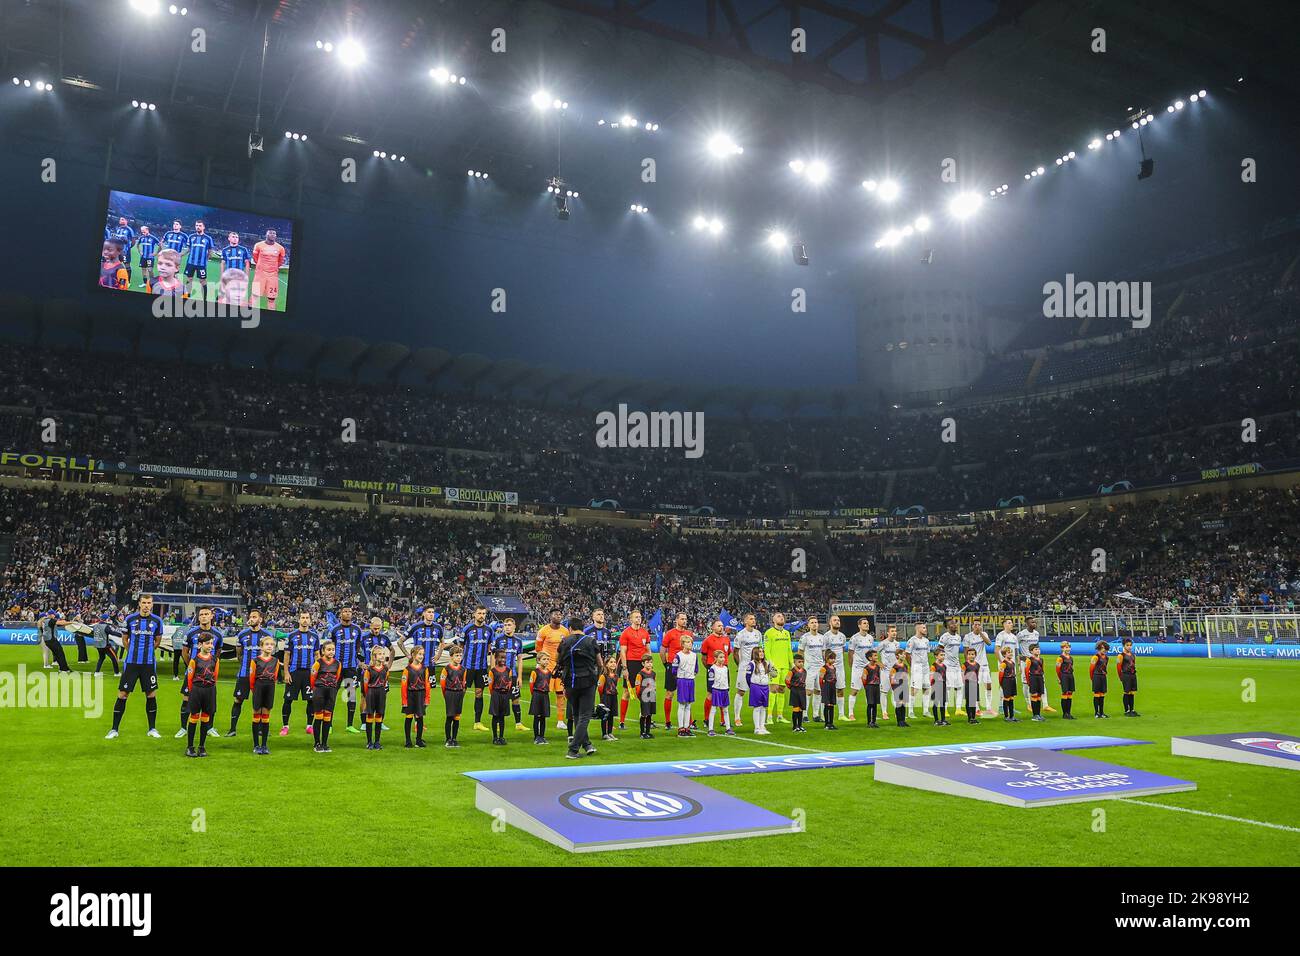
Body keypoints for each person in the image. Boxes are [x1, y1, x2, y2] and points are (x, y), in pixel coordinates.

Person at [106, 594, 165, 739]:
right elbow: (125, 639)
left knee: (151, 694)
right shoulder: (130, 619)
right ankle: (114, 729)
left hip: (148, 664)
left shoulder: (157, 621)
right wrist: (131, 651)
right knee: (123, 694)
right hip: (131, 663)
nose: (146, 605)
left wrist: (149, 651)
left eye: (149, 603)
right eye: (144, 602)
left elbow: (157, 641)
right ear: (139, 603)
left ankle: (152, 728)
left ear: (152, 604)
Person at [177, 606, 224, 738]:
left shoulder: (218, 634)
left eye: (206, 614)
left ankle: (210, 728)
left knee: (210, 701)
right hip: (192, 674)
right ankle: (183, 728)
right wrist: (192, 667)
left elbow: (217, 654)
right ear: (198, 617)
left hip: (209, 675)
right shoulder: (191, 633)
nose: (204, 616)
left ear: (211, 616)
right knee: (186, 699)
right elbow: (184, 652)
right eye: (201, 614)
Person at [558, 618, 601, 758]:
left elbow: (559, 661)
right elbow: (600, 663)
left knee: (577, 714)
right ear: (583, 628)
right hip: (588, 681)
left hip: (570, 681)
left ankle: (587, 744)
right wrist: (596, 677)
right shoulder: (590, 641)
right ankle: (573, 749)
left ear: (570, 628)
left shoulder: (564, 641)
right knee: (585, 716)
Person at [227, 608, 273, 738]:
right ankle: (232, 729)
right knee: (238, 699)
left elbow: (270, 654)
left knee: (261, 702)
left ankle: (261, 729)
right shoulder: (242, 634)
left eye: (254, 617)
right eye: (250, 617)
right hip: (244, 674)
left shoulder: (267, 635)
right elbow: (239, 653)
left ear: (260, 619)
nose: (251, 619)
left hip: (261, 675)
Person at [280, 610, 319, 737]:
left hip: (309, 673)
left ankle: (309, 726)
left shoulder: (314, 636)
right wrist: (286, 673)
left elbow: (317, 655)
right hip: (294, 672)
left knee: (311, 701)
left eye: (307, 617)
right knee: (288, 700)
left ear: (310, 620)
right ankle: (285, 726)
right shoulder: (291, 636)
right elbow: (286, 655)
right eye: (303, 617)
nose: (305, 620)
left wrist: (317, 673)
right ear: (299, 619)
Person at [456, 606, 494, 733]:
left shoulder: (489, 630)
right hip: (467, 667)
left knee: (479, 693)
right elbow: (460, 647)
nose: (481, 615)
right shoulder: (467, 629)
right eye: (479, 613)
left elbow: (490, 648)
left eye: (483, 613)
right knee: (462, 692)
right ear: (474, 614)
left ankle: (477, 722)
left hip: (482, 668)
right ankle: (456, 717)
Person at [183, 630, 219, 758]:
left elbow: (215, 676)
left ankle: (202, 747)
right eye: (208, 643)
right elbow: (190, 679)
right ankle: (190, 747)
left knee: (205, 718)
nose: (210, 646)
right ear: (200, 645)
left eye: (211, 643)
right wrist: (195, 691)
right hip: (197, 691)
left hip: (209, 691)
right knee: (194, 717)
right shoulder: (194, 660)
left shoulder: (215, 659)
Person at [328, 605, 363, 733]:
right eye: (345, 611)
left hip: (351, 668)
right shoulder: (335, 630)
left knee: (351, 695)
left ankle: (350, 725)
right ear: (341, 614)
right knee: (332, 695)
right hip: (336, 668)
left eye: (349, 611)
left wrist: (356, 659)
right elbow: (330, 645)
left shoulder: (357, 630)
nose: (348, 613)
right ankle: (329, 725)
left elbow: (358, 645)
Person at [535, 610, 570, 731]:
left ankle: (560, 720)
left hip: (560, 667)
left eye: (560, 614)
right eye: (555, 614)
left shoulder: (565, 631)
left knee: (561, 694)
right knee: (543, 694)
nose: (558, 616)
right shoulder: (543, 630)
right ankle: (540, 719)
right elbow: (538, 648)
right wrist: (541, 663)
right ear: (550, 616)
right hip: (547, 668)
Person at [617, 609, 650, 730]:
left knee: (645, 692)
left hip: (642, 664)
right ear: (630, 619)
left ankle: (645, 718)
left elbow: (648, 650)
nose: (638, 619)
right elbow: (623, 652)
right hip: (630, 664)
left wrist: (649, 664)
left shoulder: (644, 633)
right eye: (636, 617)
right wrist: (624, 668)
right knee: (627, 692)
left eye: (640, 617)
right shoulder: (626, 633)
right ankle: (621, 721)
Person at [249, 634, 281, 755]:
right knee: (257, 713)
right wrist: (254, 690)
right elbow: (251, 678)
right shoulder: (255, 661)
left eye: (272, 645)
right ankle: (256, 744)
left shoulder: (275, 661)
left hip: (270, 687)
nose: (270, 646)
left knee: (266, 714)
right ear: (261, 647)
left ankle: (264, 745)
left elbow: (276, 676)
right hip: (258, 687)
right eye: (267, 644)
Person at [493, 617, 526, 731]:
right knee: (501, 699)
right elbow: (493, 656)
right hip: (500, 675)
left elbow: (520, 659)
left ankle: (518, 724)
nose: (507, 627)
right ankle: (497, 723)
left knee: (516, 699)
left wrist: (520, 677)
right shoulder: (498, 640)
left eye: (509, 625)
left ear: (514, 626)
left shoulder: (518, 641)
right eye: (505, 625)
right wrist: (493, 672)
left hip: (513, 675)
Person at [731, 612, 764, 727]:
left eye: (754, 618)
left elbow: (760, 650)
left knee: (759, 691)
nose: (753, 620)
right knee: (741, 691)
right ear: (745, 622)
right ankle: (737, 717)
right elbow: (735, 652)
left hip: (756, 666)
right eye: (751, 619)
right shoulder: (740, 635)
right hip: (744, 667)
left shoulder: (758, 634)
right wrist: (740, 665)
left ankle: (759, 717)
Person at [660, 612, 691, 730]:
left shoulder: (689, 634)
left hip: (686, 668)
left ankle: (689, 721)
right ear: (676, 620)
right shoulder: (670, 633)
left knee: (687, 696)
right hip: (673, 666)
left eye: (685, 619)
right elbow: (662, 651)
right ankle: (667, 721)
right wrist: (666, 664)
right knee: (670, 693)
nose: (684, 621)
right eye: (682, 619)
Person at [310, 639, 342, 752]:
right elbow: (313, 678)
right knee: (319, 717)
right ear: (323, 651)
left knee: (327, 718)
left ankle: (325, 743)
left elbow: (337, 677)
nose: (331, 652)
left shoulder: (338, 663)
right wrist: (318, 688)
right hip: (319, 691)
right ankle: (317, 743)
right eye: (329, 649)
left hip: (331, 691)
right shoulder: (318, 663)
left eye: (333, 649)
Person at [698, 620, 731, 727]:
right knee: (710, 694)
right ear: (712, 627)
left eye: (722, 625)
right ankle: (706, 719)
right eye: (719, 626)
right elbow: (703, 657)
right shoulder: (707, 640)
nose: (721, 627)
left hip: (724, 668)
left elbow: (728, 653)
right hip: (712, 669)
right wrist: (710, 668)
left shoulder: (726, 639)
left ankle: (723, 720)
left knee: (724, 692)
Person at [1018, 617, 1053, 712]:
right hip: (1026, 662)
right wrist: (1019, 659)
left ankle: (1045, 705)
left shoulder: (1036, 633)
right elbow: (1015, 647)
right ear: (1027, 624)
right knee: (1026, 683)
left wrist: (1038, 657)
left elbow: (1037, 645)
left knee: (1042, 681)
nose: (1034, 623)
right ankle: (1028, 704)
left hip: (1036, 662)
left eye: (1034, 622)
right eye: (1032, 622)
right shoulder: (1021, 634)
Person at [764, 613, 793, 724]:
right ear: (773, 620)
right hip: (774, 666)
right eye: (778, 616)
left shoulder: (786, 633)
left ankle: (780, 716)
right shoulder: (769, 633)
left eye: (782, 617)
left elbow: (789, 650)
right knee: (773, 689)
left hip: (785, 666)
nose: (781, 618)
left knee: (782, 690)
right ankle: (769, 716)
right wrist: (770, 665)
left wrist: (792, 664)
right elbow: (767, 650)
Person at [401, 644, 431, 748]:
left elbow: (427, 684)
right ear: (413, 655)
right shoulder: (407, 670)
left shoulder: (425, 669)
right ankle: (408, 741)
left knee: (420, 717)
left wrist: (427, 698)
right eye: (419, 654)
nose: (421, 656)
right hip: (410, 695)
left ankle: (418, 740)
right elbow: (403, 686)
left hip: (420, 695)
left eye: (422, 654)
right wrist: (404, 701)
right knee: (409, 717)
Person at [846, 617, 875, 721]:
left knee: (870, 691)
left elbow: (871, 653)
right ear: (859, 625)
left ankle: (871, 713)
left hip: (868, 668)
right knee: (854, 690)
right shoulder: (854, 638)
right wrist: (852, 666)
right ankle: (850, 713)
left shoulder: (870, 638)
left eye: (867, 623)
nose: (867, 625)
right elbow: (850, 653)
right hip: (857, 668)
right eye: (864, 623)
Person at [963, 620, 995, 715]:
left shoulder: (983, 634)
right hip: (974, 666)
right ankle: (976, 708)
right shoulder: (967, 637)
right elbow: (965, 651)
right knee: (975, 687)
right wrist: (968, 664)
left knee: (988, 686)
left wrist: (981, 632)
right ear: (972, 626)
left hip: (984, 664)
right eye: (975, 624)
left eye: (978, 624)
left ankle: (989, 708)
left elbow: (989, 643)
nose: (977, 626)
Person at [251, 228, 287, 311]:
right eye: (270, 233)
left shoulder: (280, 248)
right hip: (259, 275)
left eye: (274, 233)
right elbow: (255, 258)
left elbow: (280, 261)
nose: (272, 235)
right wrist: (261, 267)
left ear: (276, 236)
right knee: (255, 295)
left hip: (272, 276)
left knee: (271, 298)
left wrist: (272, 268)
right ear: (266, 235)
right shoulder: (258, 245)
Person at [362, 646, 391, 750]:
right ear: (374, 656)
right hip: (371, 693)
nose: (382, 656)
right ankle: (369, 742)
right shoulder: (369, 670)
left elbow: (386, 679)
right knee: (370, 716)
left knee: (379, 716)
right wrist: (367, 696)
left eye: (383, 654)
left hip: (381, 693)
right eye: (379, 654)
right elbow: (365, 685)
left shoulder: (386, 668)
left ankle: (377, 741)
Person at [670, 634, 698, 738]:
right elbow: (674, 670)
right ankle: (681, 728)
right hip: (682, 681)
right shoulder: (678, 655)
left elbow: (696, 668)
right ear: (682, 644)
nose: (690, 644)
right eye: (687, 642)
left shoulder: (694, 655)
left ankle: (687, 728)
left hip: (691, 681)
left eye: (691, 642)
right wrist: (681, 677)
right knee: (682, 704)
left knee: (688, 705)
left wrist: (692, 674)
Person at [441, 645, 467, 747]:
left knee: (457, 717)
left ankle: (454, 738)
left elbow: (464, 683)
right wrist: (446, 695)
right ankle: (448, 739)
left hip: (459, 693)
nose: (459, 658)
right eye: (457, 655)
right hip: (450, 693)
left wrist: (462, 693)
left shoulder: (463, 669)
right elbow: (443, 684)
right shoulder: (446, 669)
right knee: (450, 716)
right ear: (451, 656)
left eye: (460, 655)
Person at [488, 648, 515, 746]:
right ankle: (495, 737)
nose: (503, 660)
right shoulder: (493, 671)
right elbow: (490, 685)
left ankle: (502, 736)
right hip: (496, 694)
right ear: (496, 658)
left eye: (504, 658)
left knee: (502, 717)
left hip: (505, 695)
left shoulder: (508, 670)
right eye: (500, 658)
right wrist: (495, 693)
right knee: (495, 716)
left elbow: (510, 682)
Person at [801, 616, 826, 721]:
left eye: (816, 622)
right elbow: (800, 652)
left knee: (818, 691)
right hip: (809, 668)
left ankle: (816, 715)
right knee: (808, 691)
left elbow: (823, 652)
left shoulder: (822, 637)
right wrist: (801, 666)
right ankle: (804, 714)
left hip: (820, 667)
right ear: (808, 625)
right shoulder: (805, 637)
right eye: (812, 622)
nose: (814, 624)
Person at [706, 649, 735, 737]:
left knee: (725, 709)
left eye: (724, 657)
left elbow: (727, 679)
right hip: (716, 690)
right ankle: (710, 729)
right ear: (715, 658)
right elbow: (710, 681)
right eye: (720, 657)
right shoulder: (713, 668)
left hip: (724, 690)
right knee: (714, 709)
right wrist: (713, 690)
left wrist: (727, 688)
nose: (723, 659)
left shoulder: (726, 668)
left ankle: (728, 728)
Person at [183, 219, 215, 299]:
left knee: (202, 281)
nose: (198, 227)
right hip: (190, 263)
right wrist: (180, 254)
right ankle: (187, 296)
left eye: (200, 225)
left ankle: (204, 298)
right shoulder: (191, 237)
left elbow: (210, 252)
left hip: (201, 264)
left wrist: (206, 260)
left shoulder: (208, 238)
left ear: (203, 227)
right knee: (189, 279)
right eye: (196, 225)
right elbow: (188, 249)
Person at [824, 615, 849, 722]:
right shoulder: (826, 636)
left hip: (840, 667)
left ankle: (841, 714)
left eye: (838, 620)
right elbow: (824, 652)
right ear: (830, 622)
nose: (837, 622)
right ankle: (823, 715)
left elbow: (842, 651)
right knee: (827, 691)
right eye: (835, 620)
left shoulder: (842, 636)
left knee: (840, 690)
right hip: (830, 668)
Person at [939, 619, 964, 714]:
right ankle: (944, 710)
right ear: (948, 626)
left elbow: (956, 652)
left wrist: (960, 664)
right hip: (947, 666)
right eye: (952, 624)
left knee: (959, 687)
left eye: (955, 623)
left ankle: (958, 709)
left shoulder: (958, 637)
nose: (955, 625)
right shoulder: (945, 637)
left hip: (957, 666)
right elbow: (939, 650)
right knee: (948, 688)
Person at [906, 623, 931, 719]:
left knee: (926, 688)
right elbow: (907, 654)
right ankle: (910, 711)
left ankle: (925, 711)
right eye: (924, 628)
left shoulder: (926, 641)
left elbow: (927, 654)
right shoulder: (912, 641)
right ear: (918, 628)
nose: (925, 629)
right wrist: (912, 665)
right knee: (914, 689)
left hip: (925, 667)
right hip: (916, 667)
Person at [746, 647, 772, 735]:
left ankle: (762, 726)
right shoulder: (752, 663)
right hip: (756, 686)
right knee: (757, 707)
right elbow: (748, 677)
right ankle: (757, 728)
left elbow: (772, 673)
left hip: (765, 687)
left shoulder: (767, 663)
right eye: (759, 652)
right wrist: (752, 686)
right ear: (755, 653)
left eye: (762, 651)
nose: (762, 653)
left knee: (764, 707)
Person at [529, 653, 554, 744]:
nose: (546, 661)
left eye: (547, 659)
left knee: (543, 716)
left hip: (545, 695)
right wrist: (534, 694)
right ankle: (536, 737)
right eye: (544, 659)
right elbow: (531, 684)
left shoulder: (549, 673)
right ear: (538, 660)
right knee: (537, 716)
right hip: (537, 694)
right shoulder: (535, 672)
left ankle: (542, 736)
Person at [634, 657, 657, 739]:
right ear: (643, 664)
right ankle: (642, 732)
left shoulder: (653, 673)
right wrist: (639, 696)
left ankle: (648, 732)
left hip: (651, 695)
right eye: (647, 662)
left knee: (650, 714)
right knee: (644, 714)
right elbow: (637, 685)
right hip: (644, 696)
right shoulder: (640, 674)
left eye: (651, 662)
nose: (650, 664)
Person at [597, 658, 620, 741]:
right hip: (606, 697)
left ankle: (610, 732)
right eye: (611, 662)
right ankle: (604, 734)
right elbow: (600, 688)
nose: (613, 664)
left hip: (613, 697)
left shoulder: (616, 676)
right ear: (606, 664)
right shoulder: (603, 676)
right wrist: (602, 698)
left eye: (614, 662)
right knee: (605, 716)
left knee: (611, 715)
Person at [1118, 638, 1141, 717]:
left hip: (1132, 675)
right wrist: (1121, 676)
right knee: (1126, 692)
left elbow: (1133, 664)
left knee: (1132, 692)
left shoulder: (1133, 655)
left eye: (1130, 645)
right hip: (1126, 675)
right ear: (1123, 646)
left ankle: (1132, 709)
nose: (1129, 647)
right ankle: (1126, 710)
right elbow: (1118, 667)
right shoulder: (1121, 655)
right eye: (1127, 645)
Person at [785, 652, 808, 732]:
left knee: (801, 709)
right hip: (795, 691)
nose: (801, 663)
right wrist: (792, 688)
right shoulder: (792, 671)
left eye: (802, 662)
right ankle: (795, 726)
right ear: (794, 662)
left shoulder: (804, 671)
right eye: (799, 662)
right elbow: (787, 681)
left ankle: (800, 725)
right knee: (796, 708)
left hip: (802, 691)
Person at [1024, 644, 1046, 721]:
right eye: (1036, 649)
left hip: (1040, 678)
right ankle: (1034, 715)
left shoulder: (1041, 659)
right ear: (1031, 651)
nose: (1038, 650)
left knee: (1039, 696)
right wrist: (1028, 681)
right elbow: (1026, 671)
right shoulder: (1029, 660)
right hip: (1033, 678)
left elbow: (1042, 669)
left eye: (1038, 649)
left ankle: (1038, 714)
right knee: (1034, 695)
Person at [1089, 641, 1111, 718]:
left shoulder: (1107, 658)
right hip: (1097, 676)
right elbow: (1091, 668)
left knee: (1102, 695)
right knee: (1097, 694)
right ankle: (1096, 713)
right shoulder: (1095, 657)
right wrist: (1092, 677)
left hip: (1103, 676)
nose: (1104, 650)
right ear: (1099, 648)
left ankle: (1102, 712)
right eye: (1102, 648)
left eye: (1105, 648)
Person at [1055, 640, 1076, 720]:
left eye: (1069, 647)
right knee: (1065, 693)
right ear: (1062, 648)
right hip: (1064, 676)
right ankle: (1065, 713)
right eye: (1066, 647)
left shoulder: (1071, 658)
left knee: (1070, 693)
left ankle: (1069, 713)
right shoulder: (1060, 658)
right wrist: (1060, 678)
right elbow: (1057, 669)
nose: (1068, 649)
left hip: (1070, 676)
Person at [818, 651, 838, 730]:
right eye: (831, 658)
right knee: (827, 705)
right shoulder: (824, 668)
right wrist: (822, 688)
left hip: (832, 686)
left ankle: (831, 723)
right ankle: (827, 723)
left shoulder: (834, 668)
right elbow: (820, 679)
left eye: (834, 658)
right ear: (827, 659)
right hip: (826, 686)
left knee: (832, 705)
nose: (833, 660)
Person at [998, 647, 1019, 722]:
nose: (1011, 653)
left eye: (1011, 652)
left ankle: (1012, 716)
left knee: (1011, 698)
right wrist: (1001, 683)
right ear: (1004, 654)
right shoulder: (1003, 664)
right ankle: (1006, 716)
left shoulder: (1012, 663)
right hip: (1006, 681)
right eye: (1008, 652)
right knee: (1006, 698)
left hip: (1012, 680)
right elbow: (1000, 674)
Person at [890, 651, 911, 727]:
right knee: (899, 703)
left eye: (905, 654)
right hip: (898, 686)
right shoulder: (895, 667)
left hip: (904, 686)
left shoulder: (905, 666)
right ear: (897, 656)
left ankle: (903, 720)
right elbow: (892, 678)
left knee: (904, 704)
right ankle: (899, 721)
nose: (904, 655)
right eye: (902, 654)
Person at [930, 647, 950, 726]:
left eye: (944, 655)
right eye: (941, 655)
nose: (943, 656)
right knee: (936, 703)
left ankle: (943, 719)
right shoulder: (933, 666)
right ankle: (936, 720)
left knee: (943, 703)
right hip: (936, 686)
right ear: (936, 656)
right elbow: (931, 677)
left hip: (943, 686)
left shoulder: (944, 666)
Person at [862, 650, 882, 728]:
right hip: (870, 686)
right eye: (875, 656)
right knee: (870, 704)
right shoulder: (866, 668)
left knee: (875, 705)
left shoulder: (877, 666)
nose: (877, 657)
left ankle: (874, 721)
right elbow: (864, 679)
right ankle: (869, 722)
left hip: (876, 686)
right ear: (870, 658)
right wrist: (866, 687)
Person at [962, 648, 982, 724]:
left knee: (974, 702)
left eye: (972, 654)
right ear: (967, 656)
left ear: (975, 655)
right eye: (969, 654)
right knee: (968, 701)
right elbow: (962, 674)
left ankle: (973, 718)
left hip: (975, 684)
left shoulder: (977, 665)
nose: (971, 656)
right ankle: (969, 718)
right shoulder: (965, 664)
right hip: (968, 684)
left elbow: (977, 674)